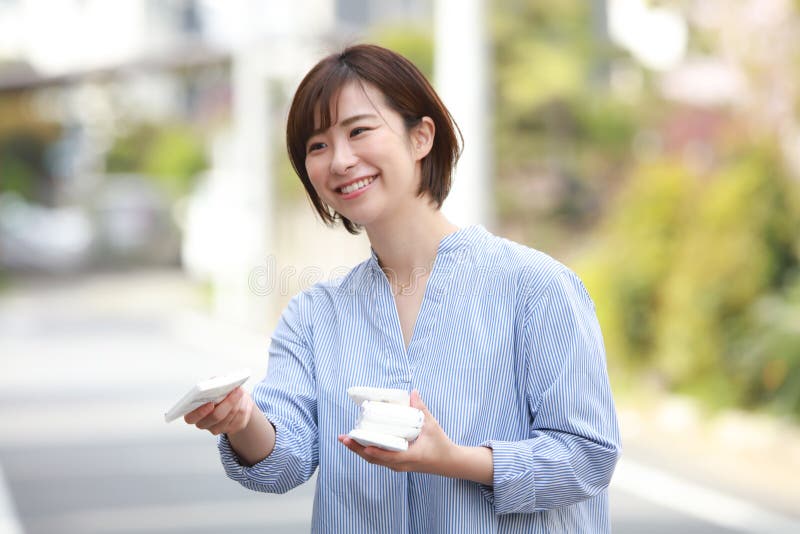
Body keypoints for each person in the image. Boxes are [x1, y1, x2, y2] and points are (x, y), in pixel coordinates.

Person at [184, 44, 621, 533]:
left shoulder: (536, 288)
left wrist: (453, 458)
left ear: (421, 137)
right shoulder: (314, 315)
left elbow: (587, 457)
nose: (341, 160)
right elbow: (282, 462)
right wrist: (243, 420)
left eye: (359, 130)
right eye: (317, 146)